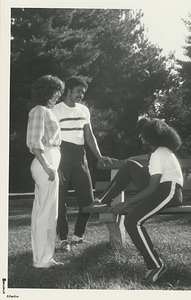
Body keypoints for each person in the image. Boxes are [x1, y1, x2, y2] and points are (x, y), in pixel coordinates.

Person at [88, 116, 183, 284]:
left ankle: (156, 265)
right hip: (162, 190)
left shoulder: (160, 153)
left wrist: (126, 203)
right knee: (130, 165)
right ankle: (103, 199)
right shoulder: (158, 152)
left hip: (169, 192)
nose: (140, 136)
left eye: (143, 133)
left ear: (152, 136)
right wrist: (127, 162)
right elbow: (146, 175)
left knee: (132, 221)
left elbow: (152, 188)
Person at [52, 76, 113, 252]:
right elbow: (51, 139)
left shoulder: (84, 110)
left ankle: (78, 236)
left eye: (83, 93)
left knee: (88, 202)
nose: (81, 95)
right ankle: (63, 239)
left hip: (81, 158)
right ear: (68, 90)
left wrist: (99, 156)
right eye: (79, 91)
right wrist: (55, 166)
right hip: (61, 157)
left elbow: (89, 136)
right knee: (60, 202)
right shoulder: (56, 110)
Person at [26, 75, 64, 268]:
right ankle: (42, 260)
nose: (59, 95)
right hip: (45, 163)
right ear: (49, 91)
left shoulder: (47, 111)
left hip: (49, 161)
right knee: (45, 212)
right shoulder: (39, 110)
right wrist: (47, 166)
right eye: (57, 91)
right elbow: (35, 142)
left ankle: (43, 258)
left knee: (47, 212)